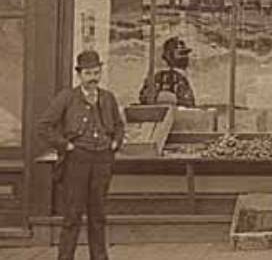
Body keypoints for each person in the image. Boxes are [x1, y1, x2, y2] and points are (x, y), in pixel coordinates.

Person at [38, 50, 125, 260]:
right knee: (72, 215)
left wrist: (115, 142)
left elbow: (119, 125)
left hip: (102, 160)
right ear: (79, 74)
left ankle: (100, 257)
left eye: (96, 73)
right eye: (88, 73)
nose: (93, 78)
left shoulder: (108, 98)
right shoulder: (67, 97)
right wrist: (65, 145)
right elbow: (44, 126)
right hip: (77, 160)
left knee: (98, 215)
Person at [138, 37, 195, 107]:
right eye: (181, 54)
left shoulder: (156, 77)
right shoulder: (158, 78)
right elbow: (144, 99)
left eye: (185, 54)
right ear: (169, 55)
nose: (186, 58)